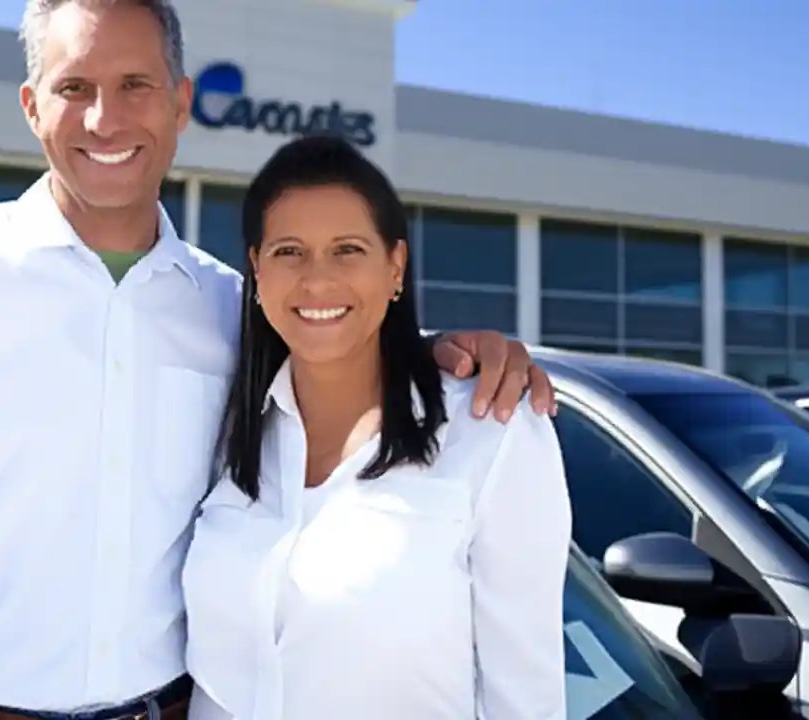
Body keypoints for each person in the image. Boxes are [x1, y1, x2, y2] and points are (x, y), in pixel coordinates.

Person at [0, 2, 558, 720]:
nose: (104, 121)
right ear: (30, 105)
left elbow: (337, 350)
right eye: (74, 88)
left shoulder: (229, 307)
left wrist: (450, 352)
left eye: (135, 87)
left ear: (181, 103)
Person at [180, 134, 571, 720]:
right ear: (256, 270)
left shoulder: (492, 432)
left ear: (395, 267)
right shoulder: (227, 431)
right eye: (289, 251)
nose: (317, 280)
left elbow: (527, 698)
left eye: (347, 249)